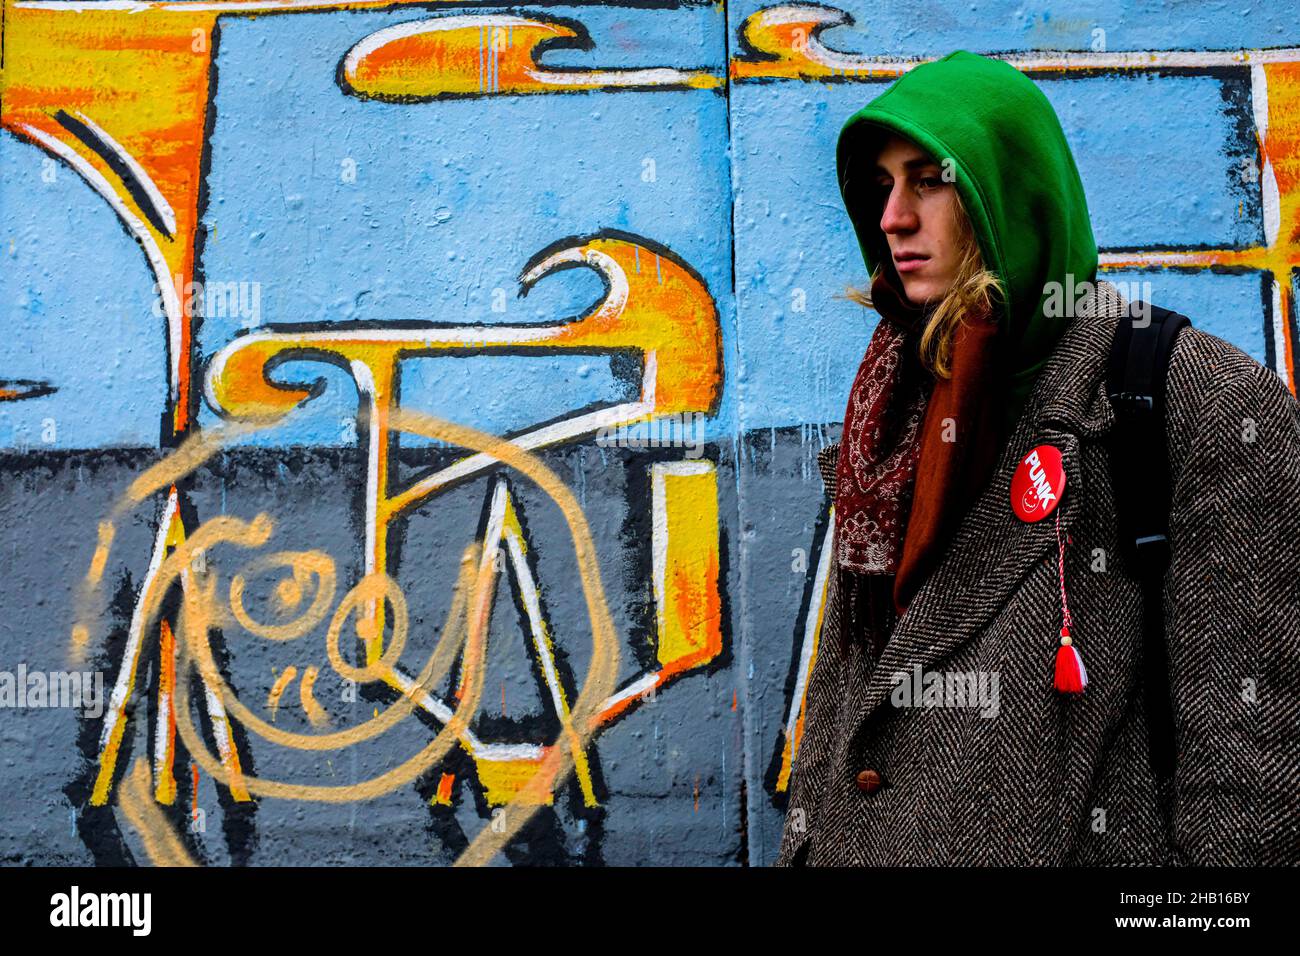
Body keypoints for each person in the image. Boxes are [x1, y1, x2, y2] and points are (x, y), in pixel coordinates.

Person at [775, 50, 1300, 866]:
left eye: (928, 179)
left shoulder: (1193, 400)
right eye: (882, 185)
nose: (893, 218)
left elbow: (1250, 770)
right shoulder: (892, 402)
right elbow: (849, 715)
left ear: (1010, 188)